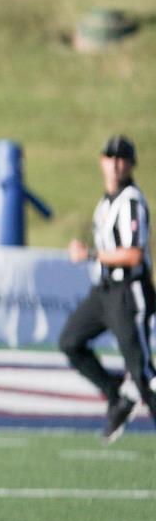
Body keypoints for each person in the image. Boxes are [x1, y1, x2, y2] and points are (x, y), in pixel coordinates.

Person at [60, 135, 154, 444]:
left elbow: (133, 254)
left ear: (130, 164)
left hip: (129, 292)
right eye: (110, 158)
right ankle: (117, 395)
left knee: (141, 372)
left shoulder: (131, 202)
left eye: (122, 159)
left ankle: (131, 396)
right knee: (71, 341)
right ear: (102, 161)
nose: (115, 164)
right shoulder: (105, 203)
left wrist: (89, 254)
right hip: (105, 292)